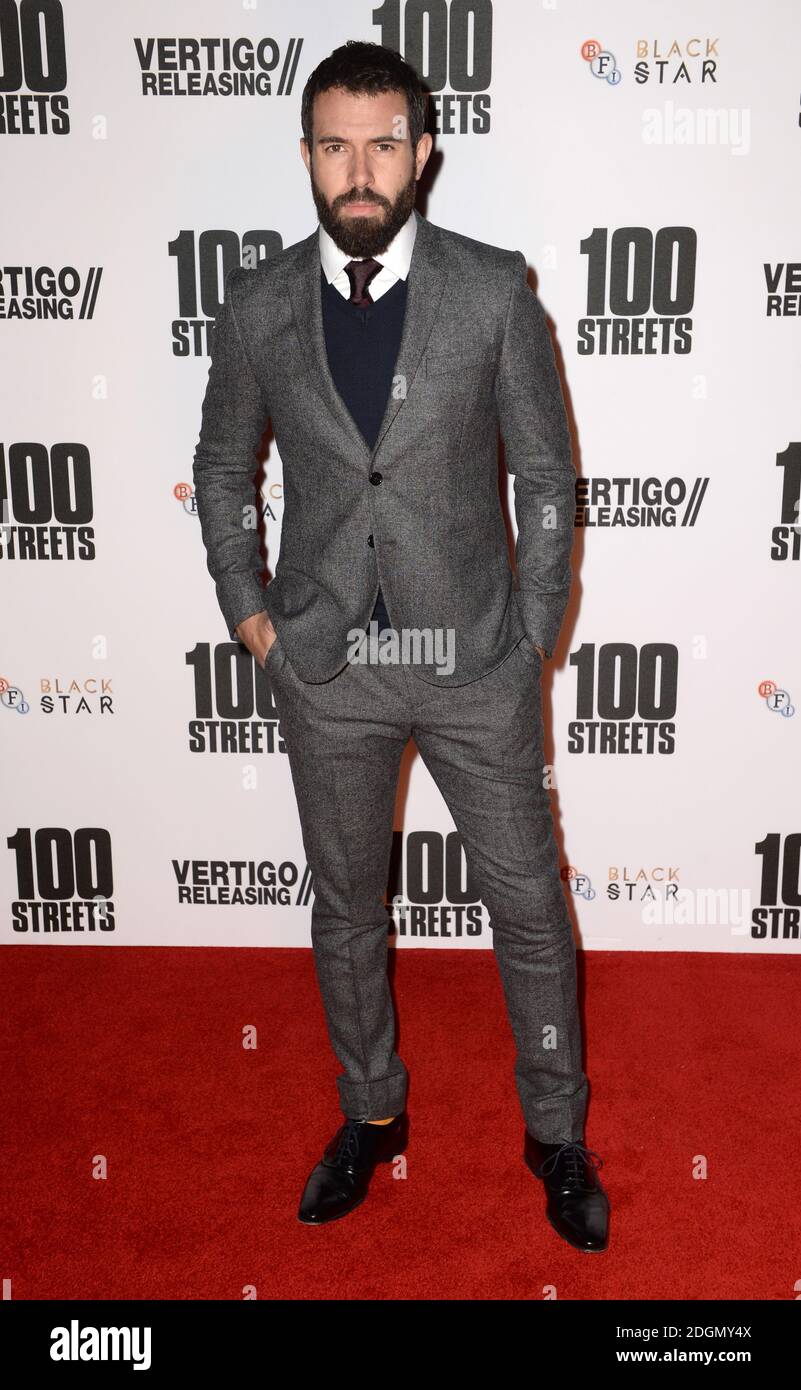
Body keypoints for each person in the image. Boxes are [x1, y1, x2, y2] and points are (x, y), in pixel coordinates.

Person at [192, 39, 609, 1252]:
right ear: (309, 158)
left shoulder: (491, 290)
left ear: (424, 153)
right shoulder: (261, 302)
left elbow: (546, 473)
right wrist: (250, 609)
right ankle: (370, 1111)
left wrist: (532, 628)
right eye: (336, 144)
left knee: (529, 907)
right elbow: (224, 466)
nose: (360, 170)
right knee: (347, 913)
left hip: (472, 656)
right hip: (326, 664)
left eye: (384, 142)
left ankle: (555, 1129)